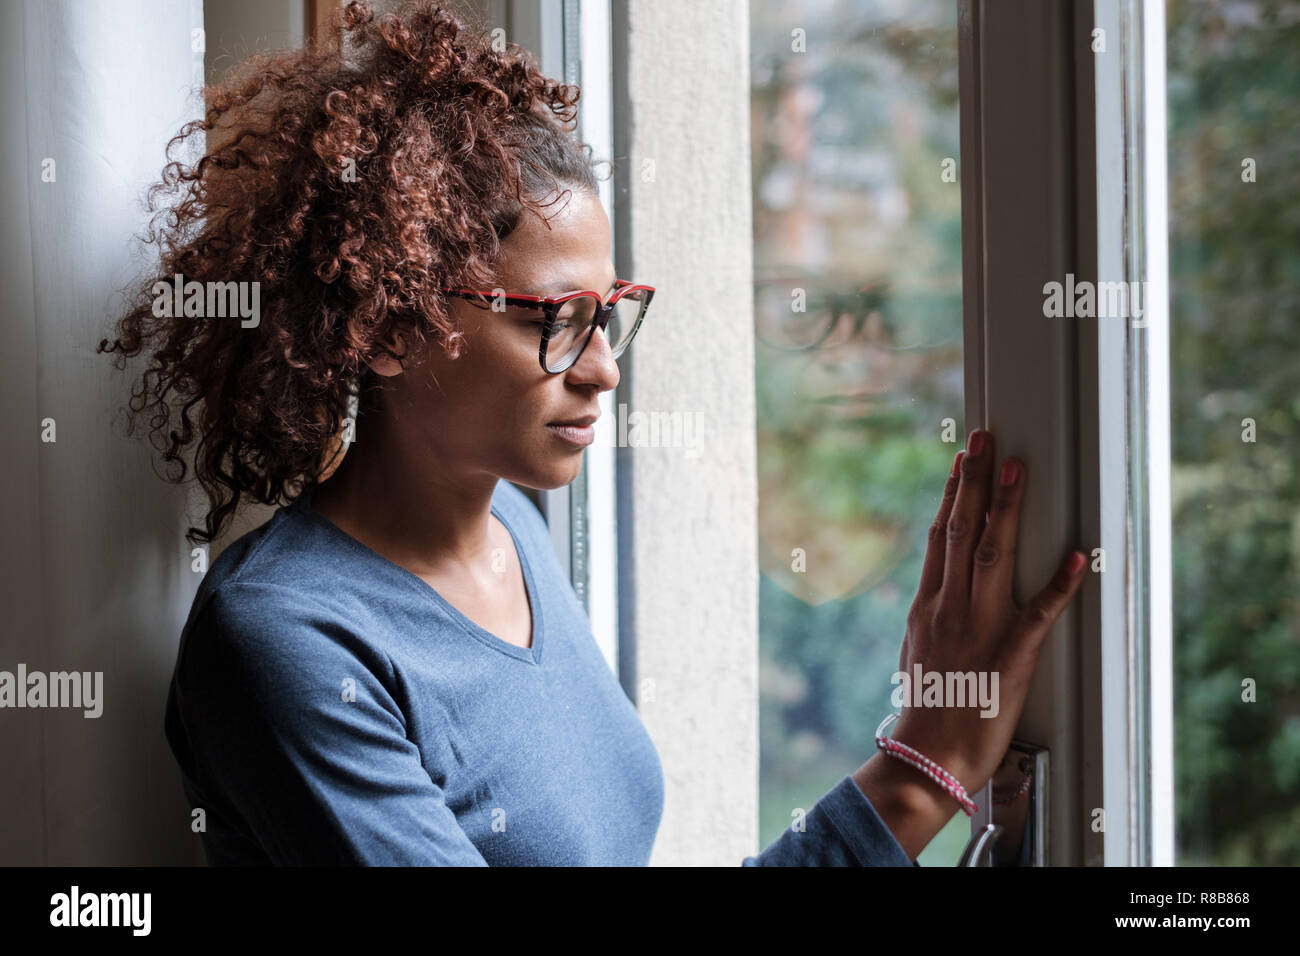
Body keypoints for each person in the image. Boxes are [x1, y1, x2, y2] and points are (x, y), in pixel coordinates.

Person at [99, 0, 1084, 866]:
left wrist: (926, 756)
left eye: (608, 312)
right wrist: (922, 773)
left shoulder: (516, 531)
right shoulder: (290, 638)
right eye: (554, 317)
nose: (605, 365)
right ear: (394, 322)